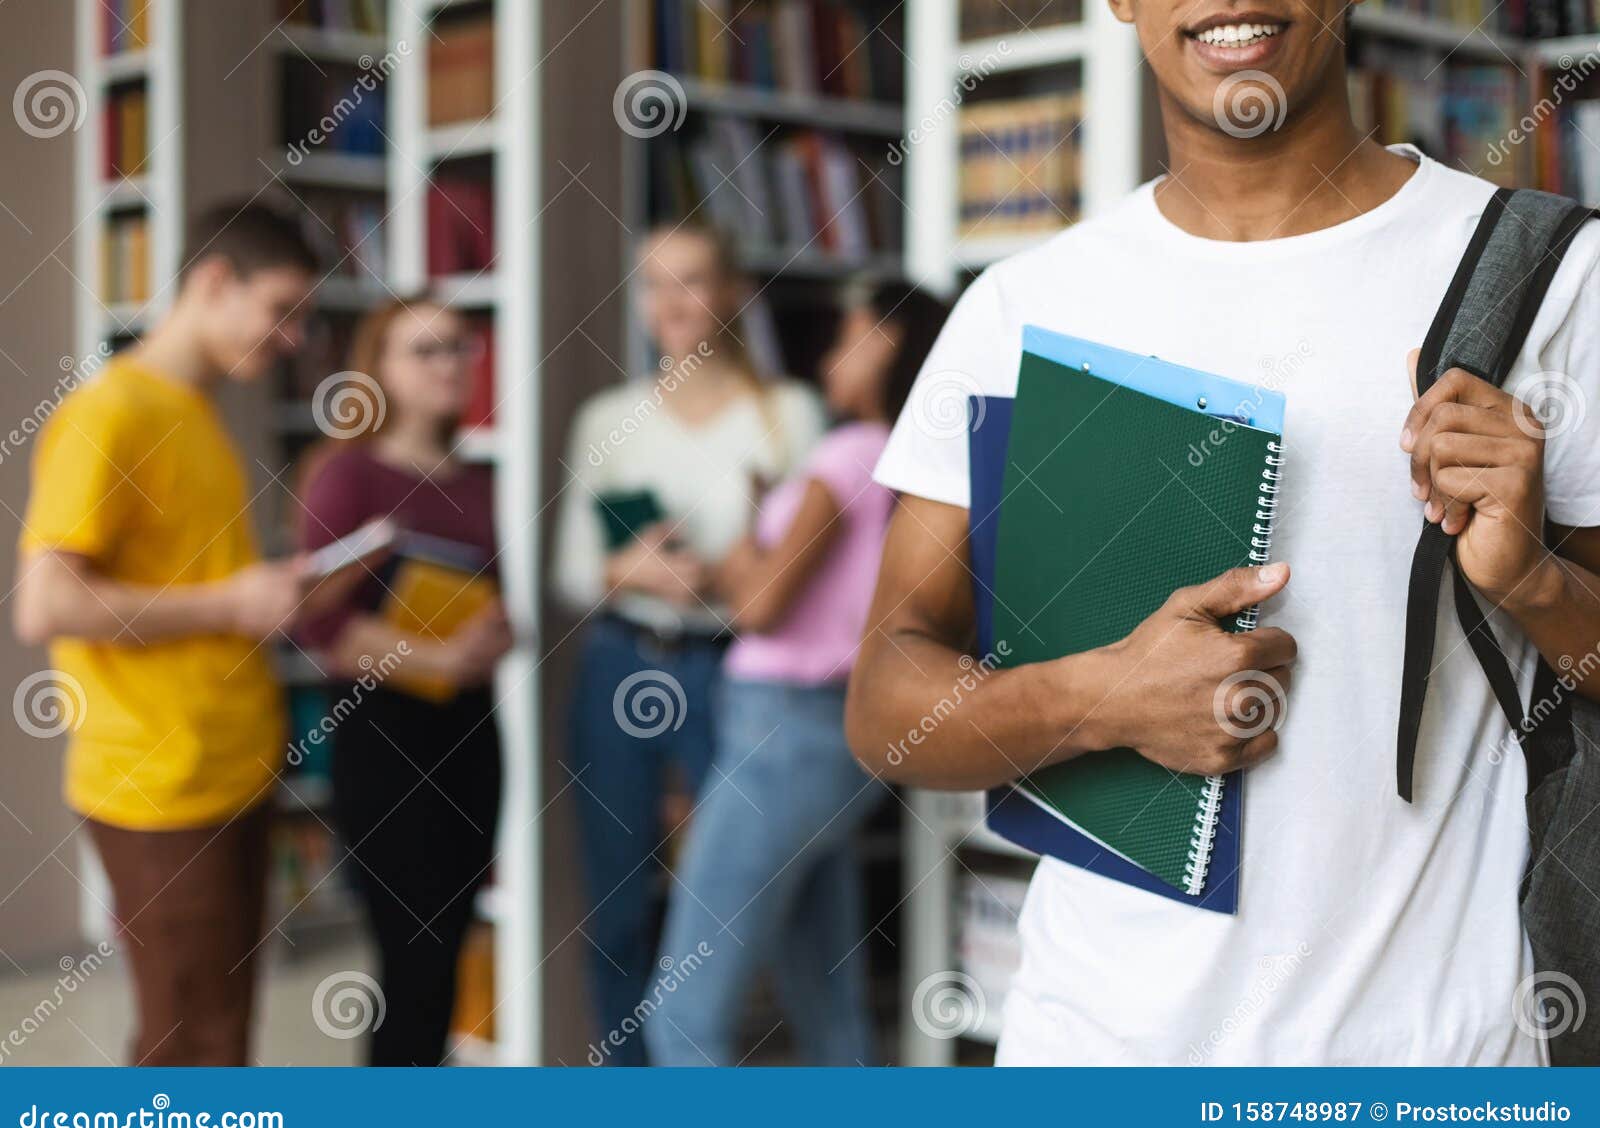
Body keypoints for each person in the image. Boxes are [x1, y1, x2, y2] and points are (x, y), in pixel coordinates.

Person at [846, 0, 1600, 1066]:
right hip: (1092, 1057)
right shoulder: (1022, 306)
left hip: (1435, 1060)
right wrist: (1096, 698)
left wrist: (1531, 579)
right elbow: (884, 700)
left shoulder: (1550, 280)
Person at [12, 203, 326, 1066]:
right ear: (213, 281)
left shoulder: (196, 410)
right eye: (282, 307)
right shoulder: (108, 413)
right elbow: (46, 605)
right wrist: (230, 604)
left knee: (215, 1033)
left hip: (227, 771)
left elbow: (184, 581)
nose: (294, 336)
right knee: (191, 1046)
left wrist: (257, 596)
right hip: (159, 785)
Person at [647, 283, 951, 1066]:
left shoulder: (844, 454)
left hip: (778, 734)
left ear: (888, 344)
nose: (830, 352)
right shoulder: (919, 465)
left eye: (850, 331)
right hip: (845, 736)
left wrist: (743, 543)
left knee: (682, 1015)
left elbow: (759, 606)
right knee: (828, 1005)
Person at [552, 224, 826, 1065]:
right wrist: (630, 571)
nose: (671, 303)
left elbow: (813, 574)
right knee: (619, 903)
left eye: (693, 281)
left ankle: (713, 1068)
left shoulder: (787, 415)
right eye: (653, 285)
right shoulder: (608, 417)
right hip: (621, 662)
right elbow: (569, 572)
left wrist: (723, 580)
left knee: (745, 894)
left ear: (732, 289)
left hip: (739, 672)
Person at [296, 298, 511, 1066]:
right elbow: (314, 621)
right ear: (379, 368)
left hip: (470, 731)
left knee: (450, 943)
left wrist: (491, 638)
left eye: (458, 345)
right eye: (425, 350)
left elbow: (500, 603)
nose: (449, 362)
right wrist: (435, 658)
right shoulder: (347, 474)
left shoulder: (482, 478)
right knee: (410, 955)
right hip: (384, 735)